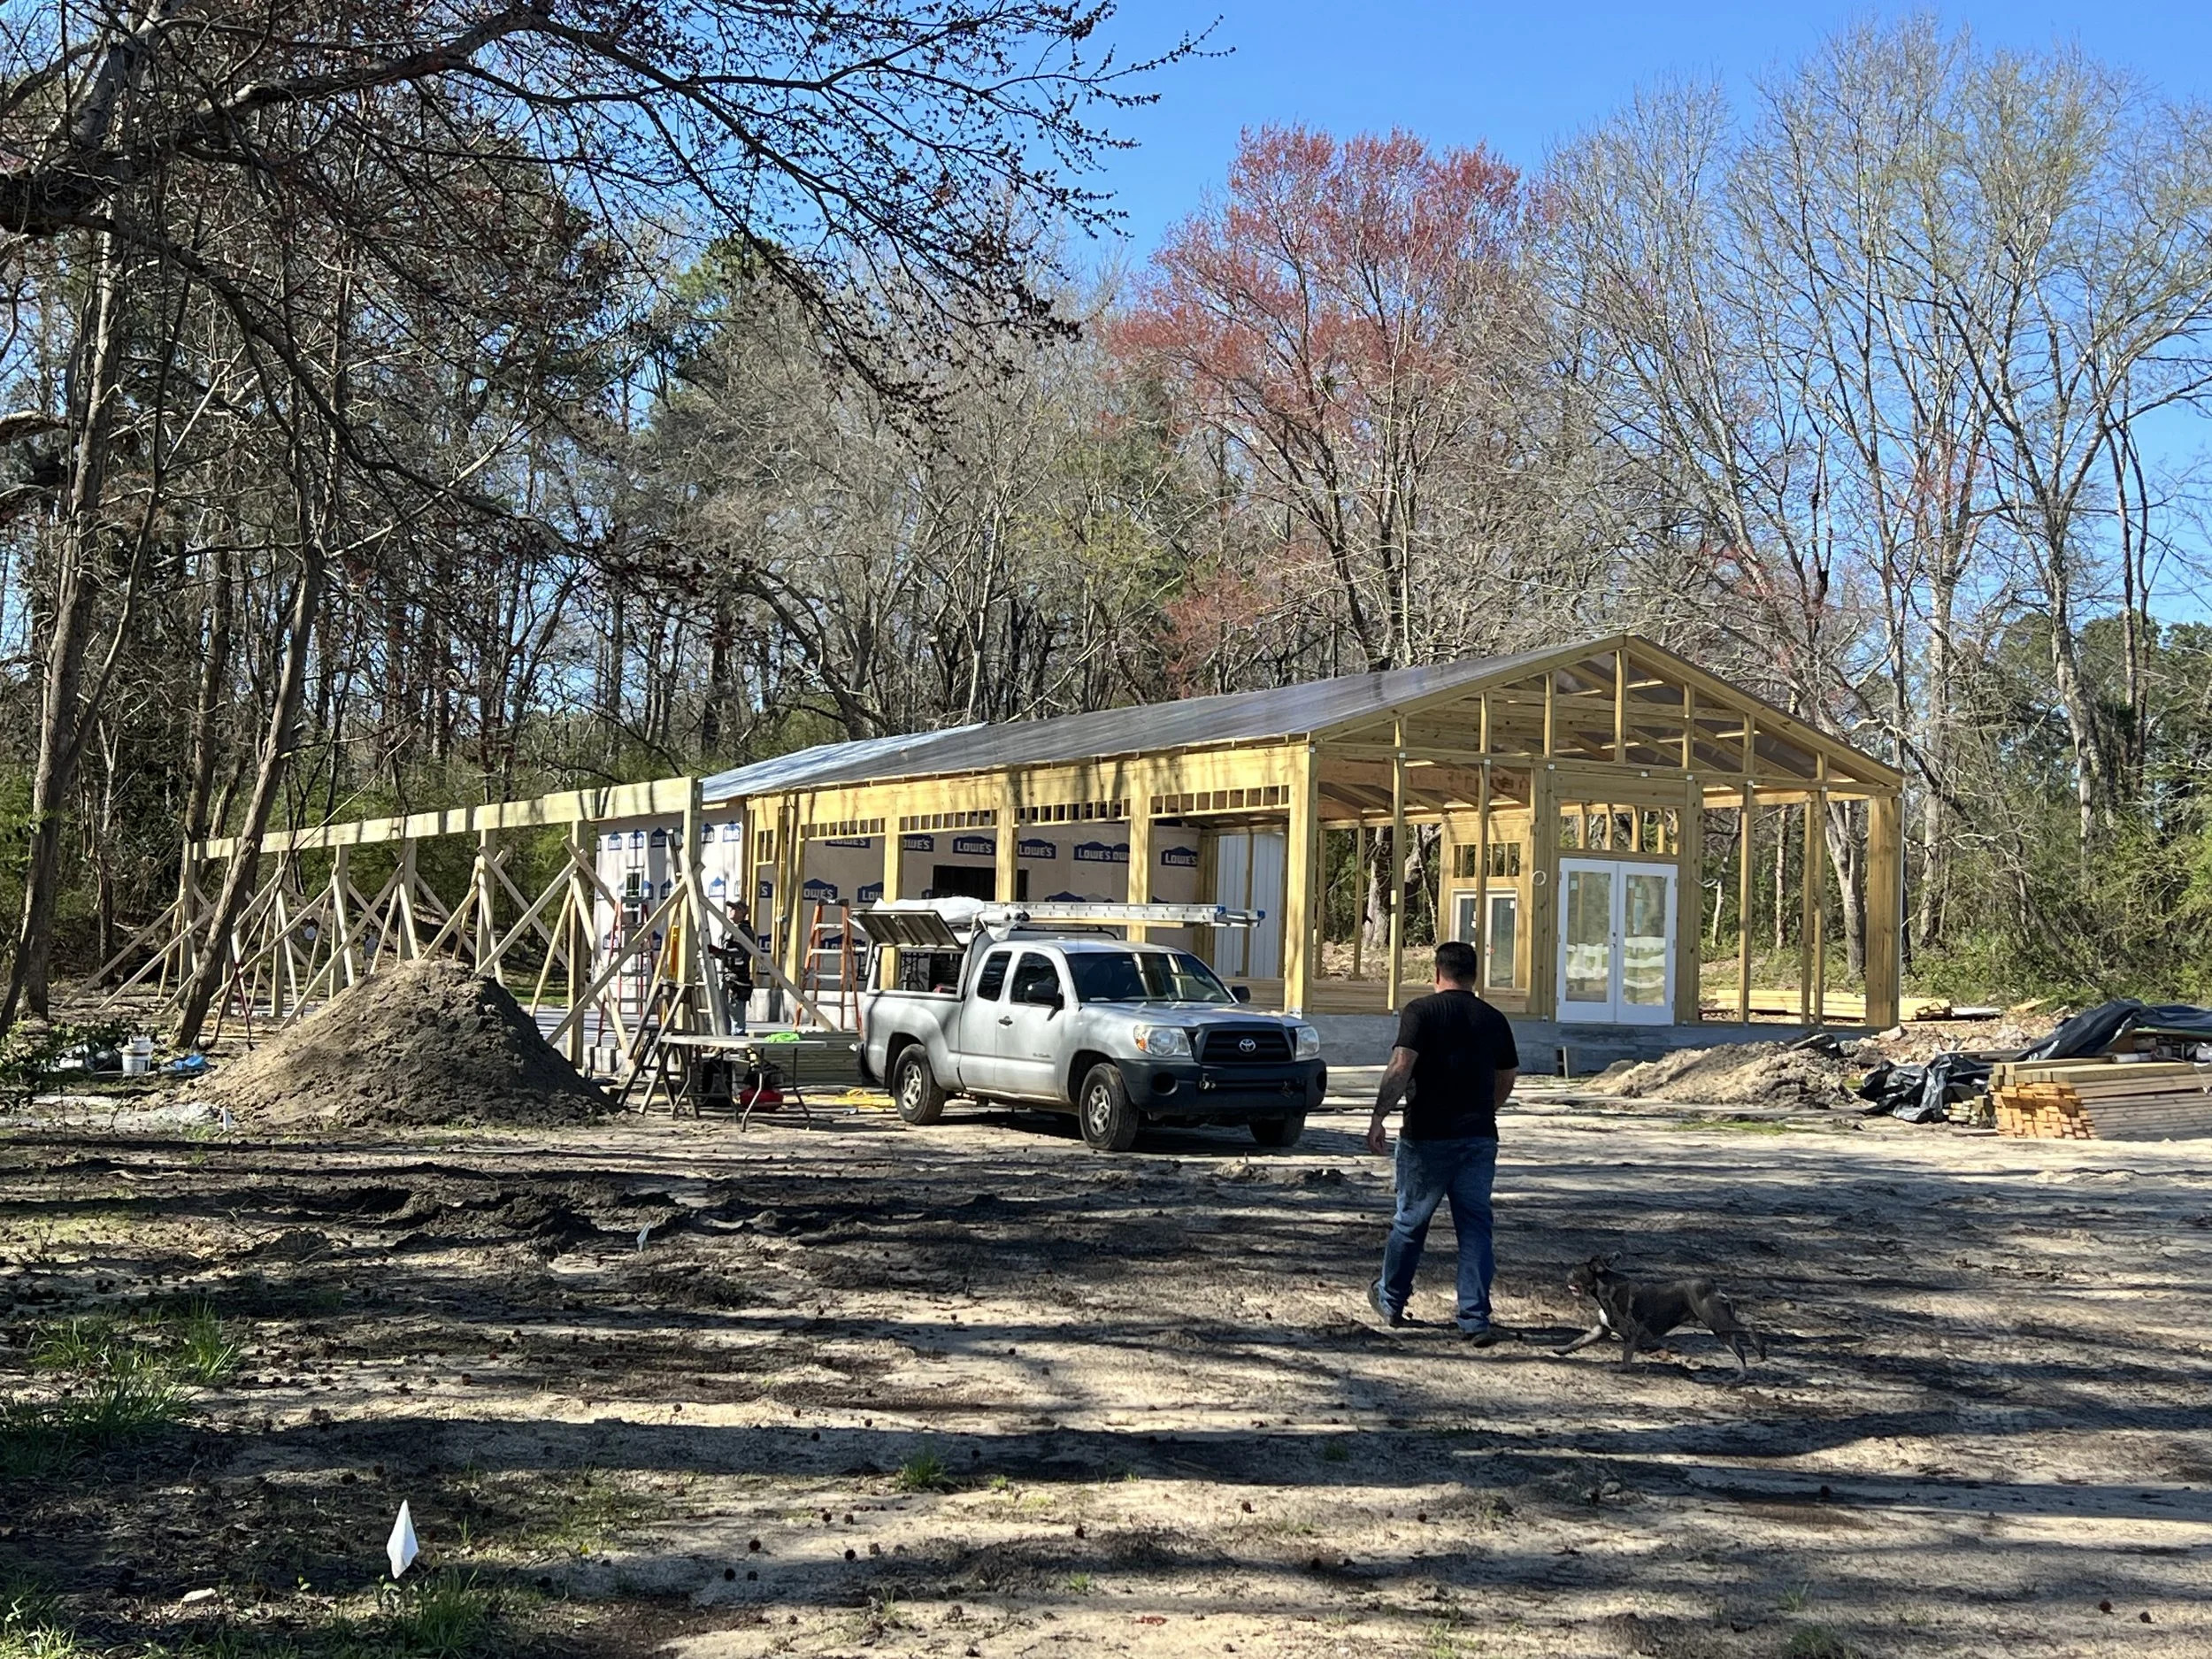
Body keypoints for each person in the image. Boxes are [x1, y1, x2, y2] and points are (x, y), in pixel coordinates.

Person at [1364, 939, 1520, 1342]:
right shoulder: (1494, 1018)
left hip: (1427, 1136)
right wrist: (1488, 1109)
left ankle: (1391, 1300)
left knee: (1410, 1222)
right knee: (1475, 1228)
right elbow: (1507, 1076)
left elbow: (1401, 1065)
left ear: (1436, 973)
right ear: (1474, 976)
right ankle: (1474, 1318)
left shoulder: (1420, 1012)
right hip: (1478, 1138)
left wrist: (1379, 1115)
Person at [707, 899, 757, 1029]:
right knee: (724, 1011)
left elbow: (740, 952)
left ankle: (738, 1040)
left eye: (734, 909)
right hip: (727, 975)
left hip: (738, 977)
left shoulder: (744, 931)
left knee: (736, 1011)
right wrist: (716, 953)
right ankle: (727, 1039)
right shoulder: (730, 930)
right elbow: (727, 954)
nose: (731, 911)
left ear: (742, 912)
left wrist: (721, 951)